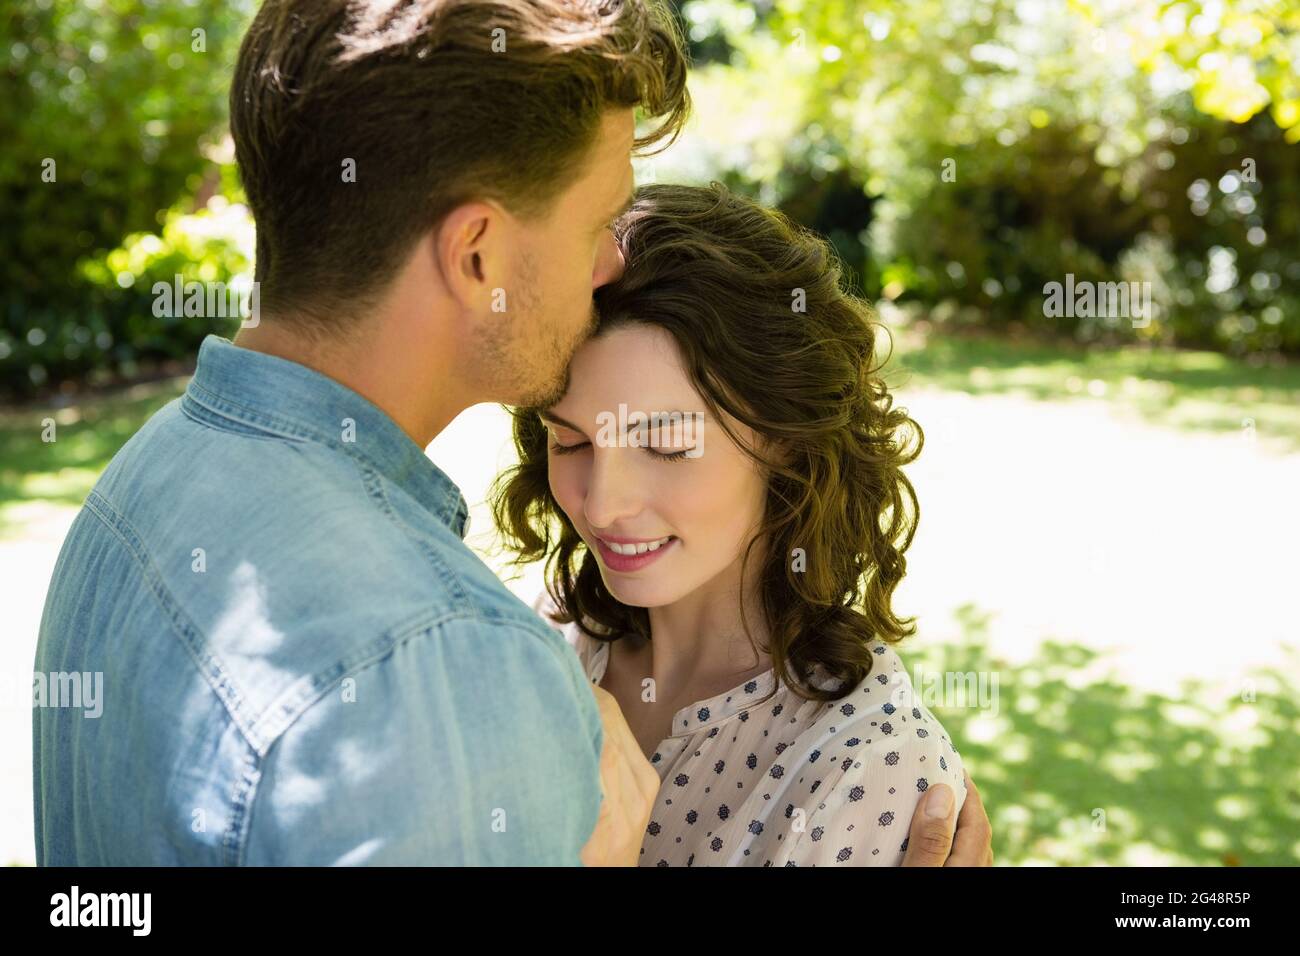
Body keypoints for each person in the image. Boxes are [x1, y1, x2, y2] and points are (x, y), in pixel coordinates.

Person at [495, 182, 987, 864]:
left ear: (784, 438)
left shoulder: (867, 770)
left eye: (666, 446)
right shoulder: (551, 637)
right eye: (570, 441)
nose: (602, 505)